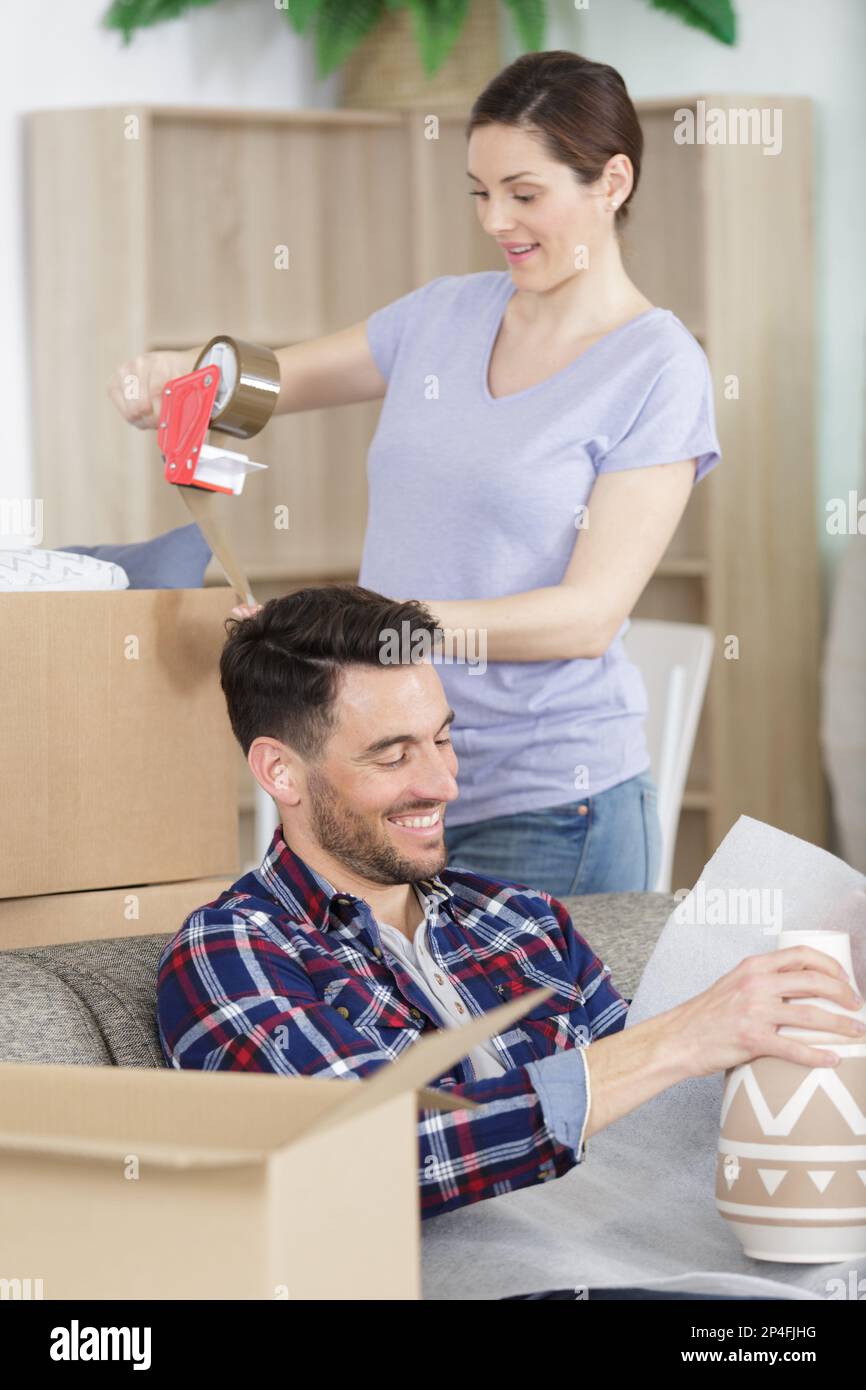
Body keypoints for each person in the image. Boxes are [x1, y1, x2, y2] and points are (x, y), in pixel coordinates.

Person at [112, 50, 721, 898]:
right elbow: (274, 381)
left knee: (529, 1038)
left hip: (545, 805)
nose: (496, 219)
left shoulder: (657, 368)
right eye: (480, 191)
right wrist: (184, 372)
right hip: (382, 785)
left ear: (612, 181)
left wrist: (368, 631)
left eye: (524, 192)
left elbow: (584, 619)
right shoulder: (445, 313)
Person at [156, 585, 865, 1224]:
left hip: (653, 1250)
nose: (442, 784)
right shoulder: (234, 950)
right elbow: (368, 1159)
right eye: (393, 755)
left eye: (441, 739)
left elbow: (653, 1128)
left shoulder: (523, 919)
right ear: (279, 770)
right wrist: (679, 1038)